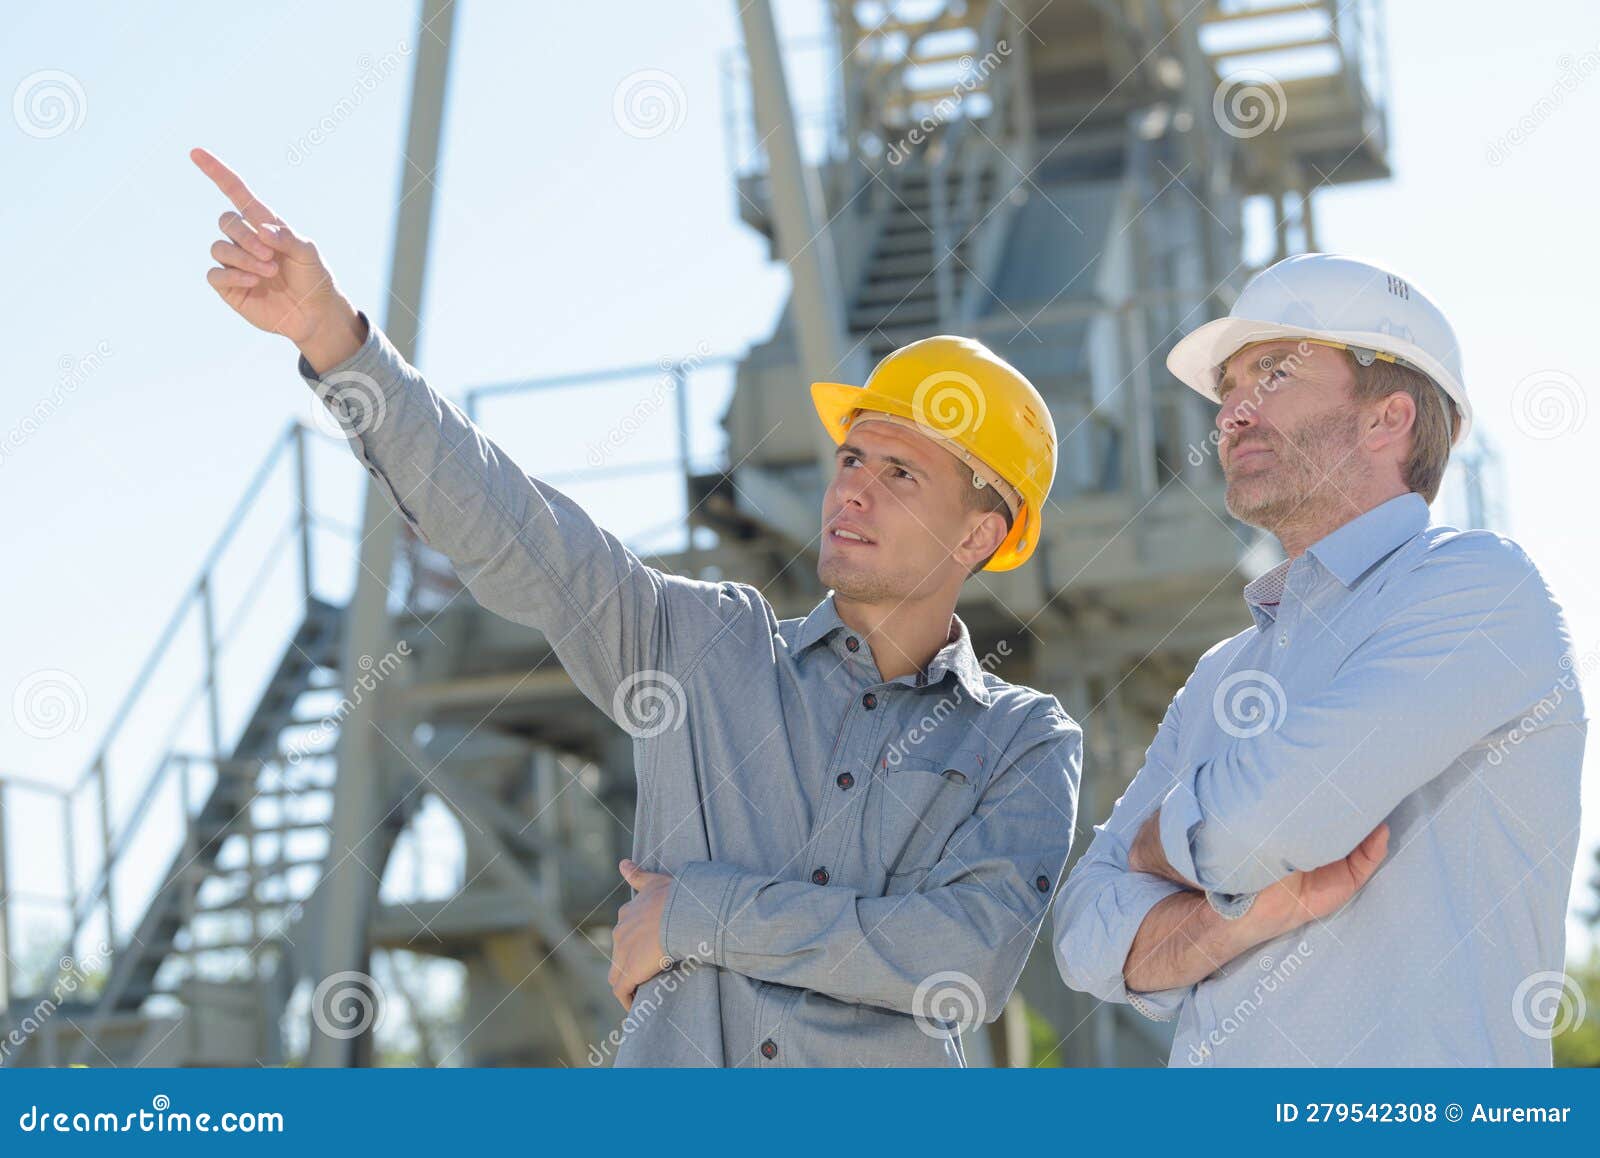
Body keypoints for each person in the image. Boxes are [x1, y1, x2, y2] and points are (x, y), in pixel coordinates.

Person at [193, 147, 1080, 1067]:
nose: (852, 490)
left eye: (901, 473)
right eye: (852, 458)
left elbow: (963, 963)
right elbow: (520, 529)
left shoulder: (1022, 741)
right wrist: (338, 342)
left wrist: (697, 913)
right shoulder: (703, 645)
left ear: (979, 535)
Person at [1052, 252, 1587, 1066]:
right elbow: (1083, 934)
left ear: (1388, 419)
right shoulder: (1223, 674)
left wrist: (1158, 844)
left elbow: (1253, 829)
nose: (1230, 414)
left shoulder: (1483, 590)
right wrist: (1236, 917)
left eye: (1270, 373)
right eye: (1228, 389)